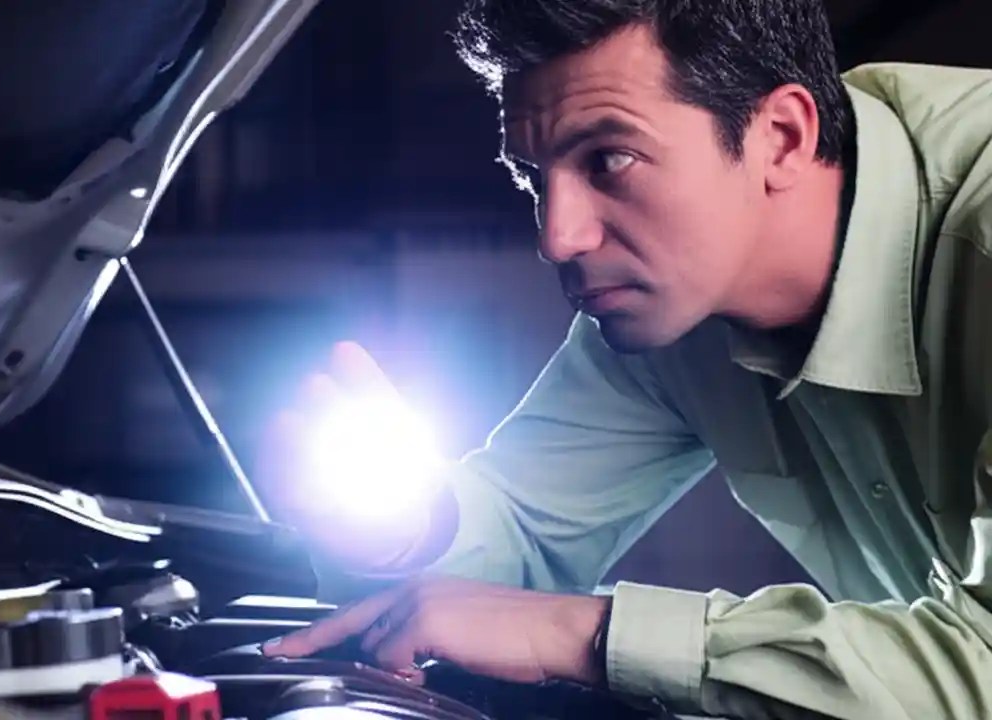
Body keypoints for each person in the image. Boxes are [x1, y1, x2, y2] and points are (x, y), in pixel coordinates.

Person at [257, 0, 992, 718]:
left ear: (781, 136)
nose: (558, 236)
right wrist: (398, 535)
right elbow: (523, 529)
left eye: (610, 159)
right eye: (534, 179)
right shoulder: (673, 305)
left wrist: (580, 632)